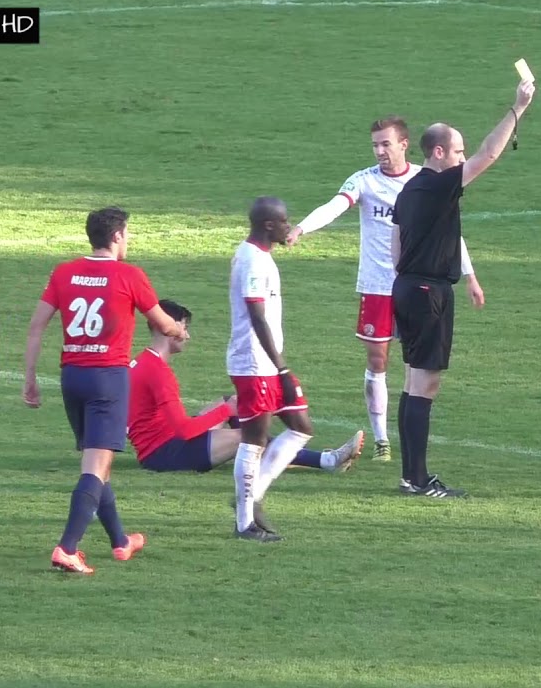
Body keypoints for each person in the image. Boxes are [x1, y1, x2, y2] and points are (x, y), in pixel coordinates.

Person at [286, 116, 486, 462]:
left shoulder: (422, 182)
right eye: (375, 145)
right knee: (378, 358)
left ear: (404, 144)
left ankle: (408, 441)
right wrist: (302, 228)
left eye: (386, 144)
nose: (380, 151)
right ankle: (382, 439)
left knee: (415, 365)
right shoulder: (364, 181)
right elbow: (335, 207)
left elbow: (450, 233)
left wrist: (470, 276)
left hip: (413, 284)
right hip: (377, 285)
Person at [390, 78, 536, 498]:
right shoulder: (437, 184)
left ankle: (410, 475)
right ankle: (418, 480)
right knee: (425, 384)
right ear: (438, 153)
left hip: (406, 286)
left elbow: (396, 248)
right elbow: (490, 154)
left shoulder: (408, 191)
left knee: (411, 381)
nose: (462, 157)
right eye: (456, 151)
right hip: (428, 292)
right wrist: (518, 108)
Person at [23, 207, 187, 575]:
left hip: (72, 379)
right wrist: (178, 331)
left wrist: (30, 378)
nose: (128, 240)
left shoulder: (64, 273)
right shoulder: (129, 275)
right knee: (95, 468)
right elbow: (161, 322)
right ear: (116, 236)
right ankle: (67, 548)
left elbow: (36, 328)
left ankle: (120, 541)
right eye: (127, 234)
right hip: (108, 381)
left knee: (98, 463)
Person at [229, 197, 364, 541]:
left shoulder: (260, 256)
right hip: (254, 363)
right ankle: (245, 523)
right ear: (268, 226)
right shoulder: (253, 261)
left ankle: (252, 495)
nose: (289, 226)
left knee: (301, 427)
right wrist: (281, 367)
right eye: (285, 221)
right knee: (254, 440)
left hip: (266, 363)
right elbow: (257, 317)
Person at [128, 299, 363, 476]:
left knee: (231, 402)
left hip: (164, 441)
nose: (187, 335)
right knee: (247, 437)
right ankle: (327, 460)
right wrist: (225, 411)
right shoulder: (158, 373)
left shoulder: (145, 361)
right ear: (165, 327)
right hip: (165, 453)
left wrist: (227, 408)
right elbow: (185, 431)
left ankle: (292, 454)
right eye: (182, 327)